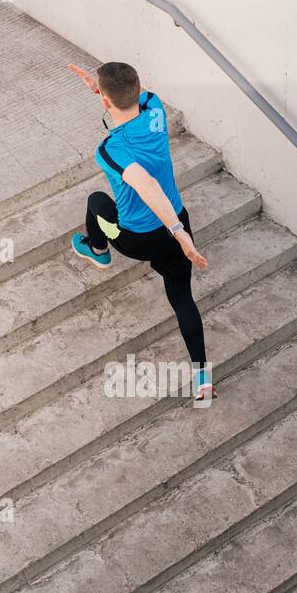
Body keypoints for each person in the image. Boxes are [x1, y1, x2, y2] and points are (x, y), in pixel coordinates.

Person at [69, 61, 215, 402]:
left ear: (105, 102)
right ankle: (203, 378)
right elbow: (131, 97)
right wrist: (180, 232)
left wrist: (178, 232)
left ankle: (99, 251)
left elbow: (145, 184)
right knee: (182, 299)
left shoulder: (110, 149)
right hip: (178, 223)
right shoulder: (156, 109)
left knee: (96, 201)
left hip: (138, 239)